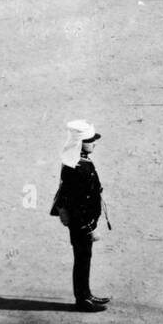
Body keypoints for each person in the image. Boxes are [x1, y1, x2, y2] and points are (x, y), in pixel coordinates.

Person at [50, 120, 110, 312]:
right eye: (90, 140)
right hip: (81, 222)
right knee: (82, 259)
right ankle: (82, 299)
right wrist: (88, 228)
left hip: (84, 220)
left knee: (85, 258)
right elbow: (75, 203)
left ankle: (86, 294)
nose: (95, 143)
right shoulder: (77, 165)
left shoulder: (75, 159)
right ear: (80, 143)